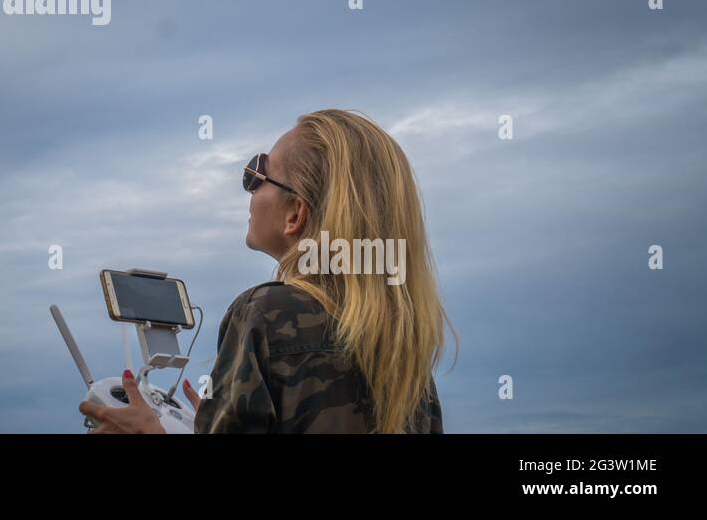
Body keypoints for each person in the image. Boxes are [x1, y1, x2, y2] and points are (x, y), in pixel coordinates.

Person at [80, 109, 453, 433]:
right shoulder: (408, 360)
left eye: (256, 174)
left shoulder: (265, 313)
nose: (250, 190)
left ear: (295, 214)